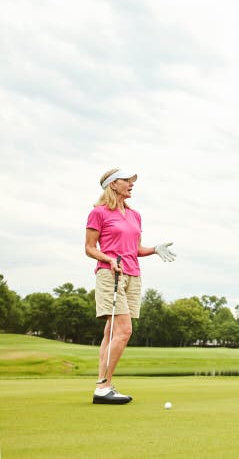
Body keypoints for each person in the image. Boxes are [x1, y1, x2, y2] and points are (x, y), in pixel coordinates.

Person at [85, 169, 176, 404]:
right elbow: (90, 248)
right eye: (127, 181)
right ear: (113, 185)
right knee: (124, 331)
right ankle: (104, 387)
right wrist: (108, 259)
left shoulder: (135, 215)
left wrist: (155, 249)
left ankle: (103, 386)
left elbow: (136, 249)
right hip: (110, 274)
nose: (131, 184)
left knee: (111, 332)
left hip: (133, 275)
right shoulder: (99, 213)